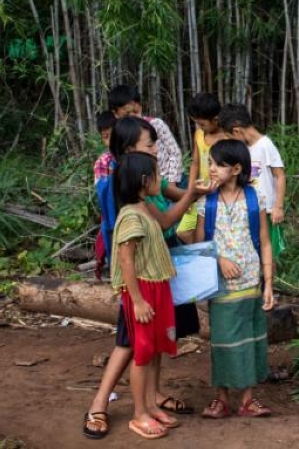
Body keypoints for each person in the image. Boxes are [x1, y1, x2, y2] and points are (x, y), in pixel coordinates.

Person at [83, 118, 203, 440]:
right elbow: (124, 250)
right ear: (130, 153)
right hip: (139, 284)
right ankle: (107, 405)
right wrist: (133, 295)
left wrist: (191, 193)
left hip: (155, 279)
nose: (155, 149)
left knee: (152, 346)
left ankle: (150, 403)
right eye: (150, 145)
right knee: (134, 346)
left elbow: (166, 216)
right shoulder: (126, 203)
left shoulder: (142, 198)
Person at [196, 140, 275, 419]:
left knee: (249, 338)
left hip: (251, 281)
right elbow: (199, 244)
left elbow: (265, 242)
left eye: (219, 164)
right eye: (211, 163)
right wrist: (220, 260)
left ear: (237, 168)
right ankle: (221, 398)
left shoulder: (255, 198)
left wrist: (269, 283)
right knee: (223, 339)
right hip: (220, 285)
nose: (212, 168)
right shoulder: (207, 201)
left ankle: (248, 400)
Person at [110, 152, 183, 439]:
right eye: (157, 173)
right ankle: (139, 414)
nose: (161, 179)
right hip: (142, 290)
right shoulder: (130, 215)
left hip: (156, 286)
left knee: (154, 350)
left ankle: (151, 405)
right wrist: (138, 300)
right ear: (144, 180)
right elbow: (126, 260)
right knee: (141, 353)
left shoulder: (145, 207)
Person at [176, 93, 227, 243]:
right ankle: (204, 256)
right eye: (196, 123)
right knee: (183, 231)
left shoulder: (226, 139)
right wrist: (189, 193)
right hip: (199, 192)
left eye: (202, 124)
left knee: (212, 231)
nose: (199, 127)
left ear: (216, 119)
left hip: (220, 193)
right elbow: (195, 163)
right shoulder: (199, 134)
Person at [108, 84, 183, 184]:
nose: (133, 117)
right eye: (126, 115)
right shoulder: (119, 136)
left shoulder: (156, 124)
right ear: (115, 113)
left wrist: (171, 182)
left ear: (140, 106)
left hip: (170, 180)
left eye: (136, 111)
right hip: (146, 186)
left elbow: (174, 152)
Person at [93, 110, 117, 279]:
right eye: (106, 136)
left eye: (114, 134)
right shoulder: (103, 162)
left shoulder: (134, 156)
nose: (111, 140)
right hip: (114, 219)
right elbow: (103, 196)